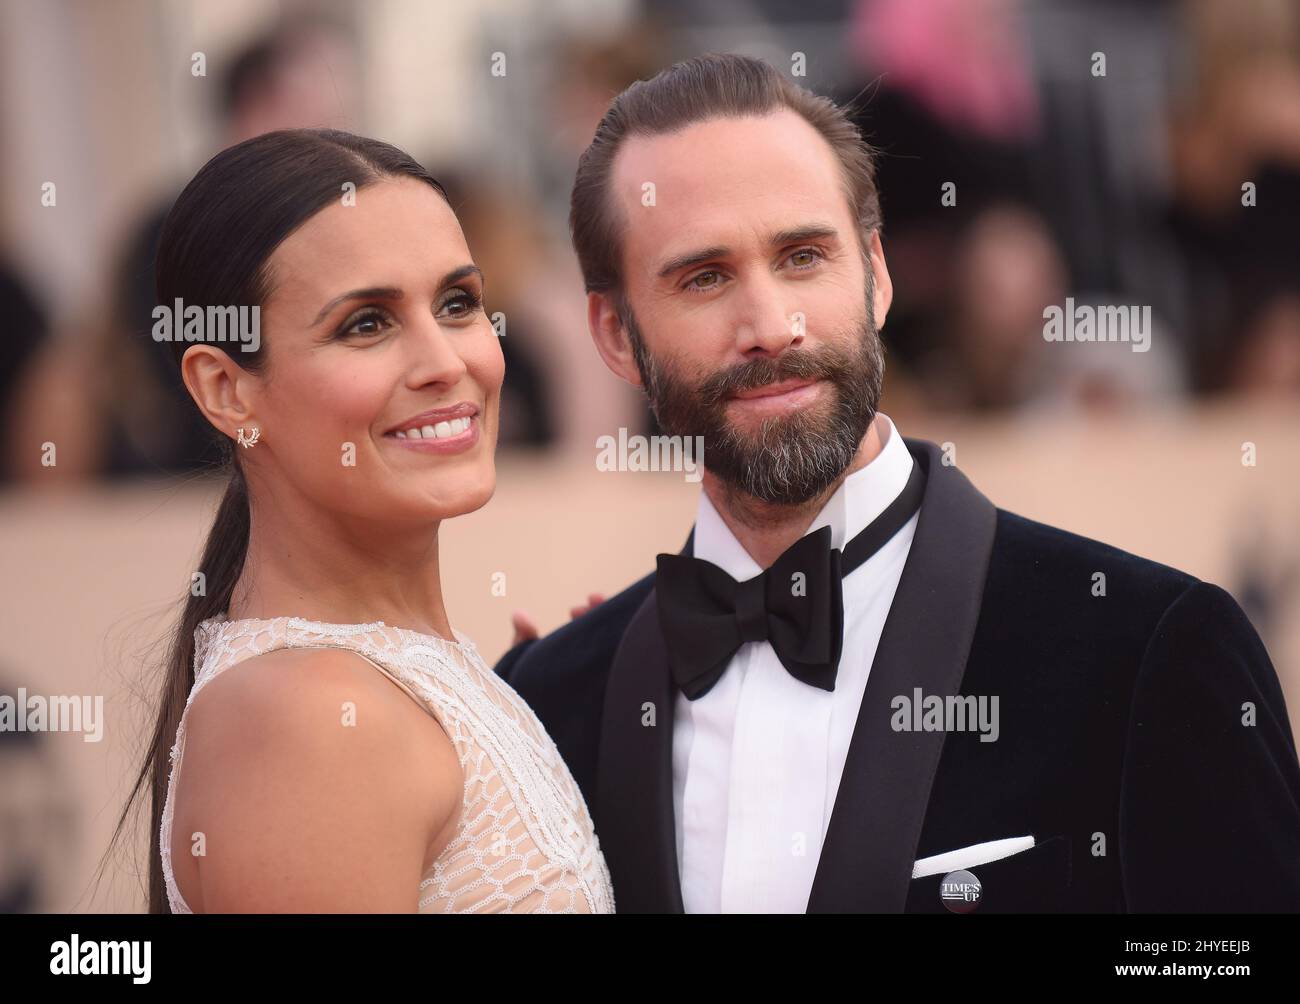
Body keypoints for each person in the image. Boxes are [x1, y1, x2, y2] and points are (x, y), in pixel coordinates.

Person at [495, 53, 1300, 913]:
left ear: (876, 275)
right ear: (615, 336)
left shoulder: (1149, 650)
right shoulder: (551, 708)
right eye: (705, 277)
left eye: (803, 256)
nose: (771, 326)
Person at [112, 129, 613, 913]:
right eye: (366, 324)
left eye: (457, 303)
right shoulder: (311, 722)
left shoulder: (390, 685)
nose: (445, 361)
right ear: (227, 391)